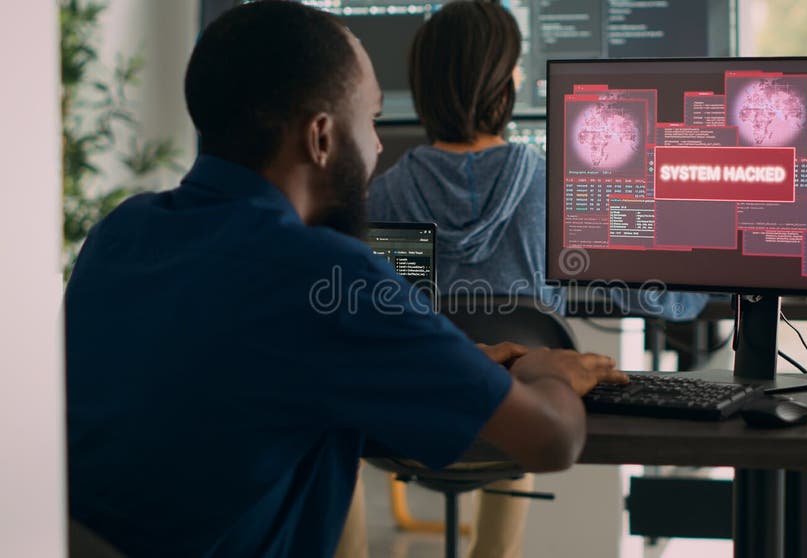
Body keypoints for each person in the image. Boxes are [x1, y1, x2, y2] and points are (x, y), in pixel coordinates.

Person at [64, 2, 628, 556]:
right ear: (322, 138)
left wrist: (451, 360)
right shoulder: (325, 273)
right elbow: (552, 439)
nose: (379, 145)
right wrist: (545, 371)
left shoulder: (120, 233)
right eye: (372, 119)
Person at [364, 3, 708, 556]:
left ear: (423, 88)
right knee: (523, 368)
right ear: (506, 84)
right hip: (524, 428)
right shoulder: (558, 188)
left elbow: (378, 321)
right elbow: (673, 300)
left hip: (413, 430)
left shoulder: (381, 196)